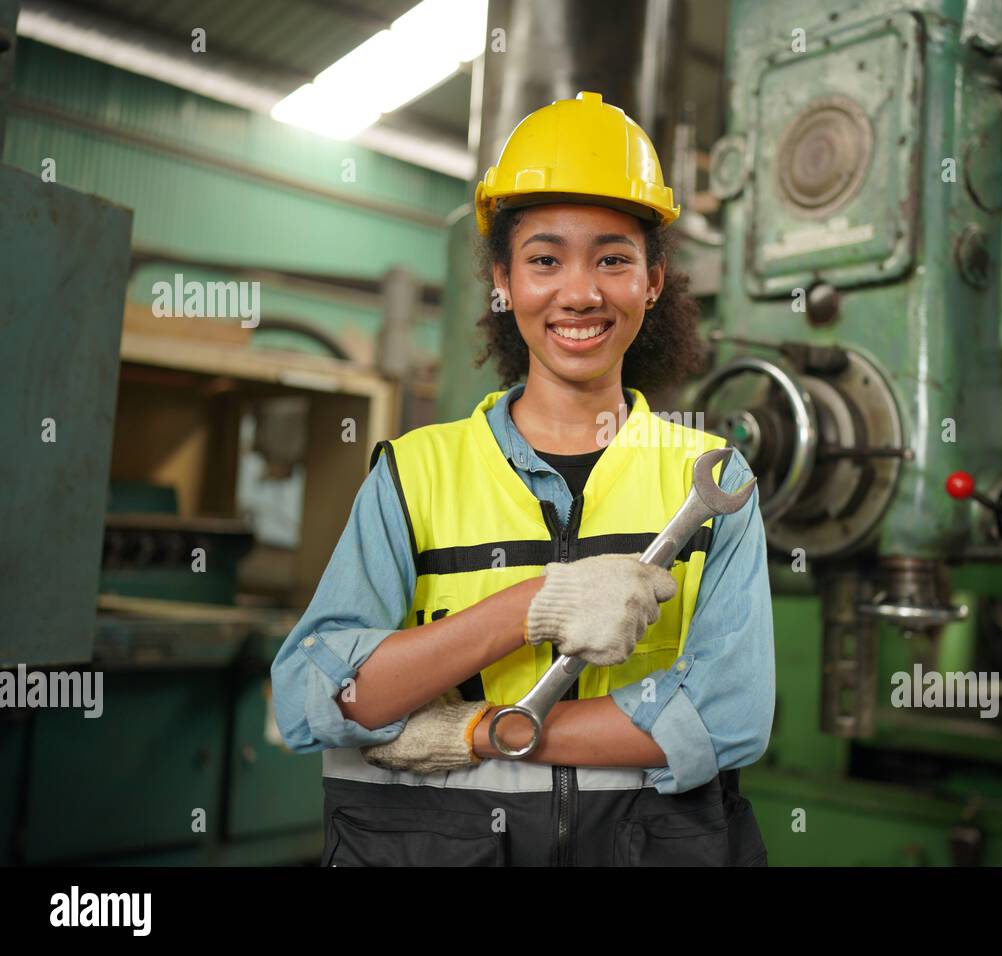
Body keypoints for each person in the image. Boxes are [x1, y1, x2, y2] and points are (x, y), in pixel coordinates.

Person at [270, 91, 775, 866]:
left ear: (654, 281)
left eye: (614, 258)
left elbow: (728, 719)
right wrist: (532, 608)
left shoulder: (706, 478)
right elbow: (316, 698)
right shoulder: (413, 473)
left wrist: (486, 731)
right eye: (545, 260)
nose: (580, 292)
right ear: (502, 280)